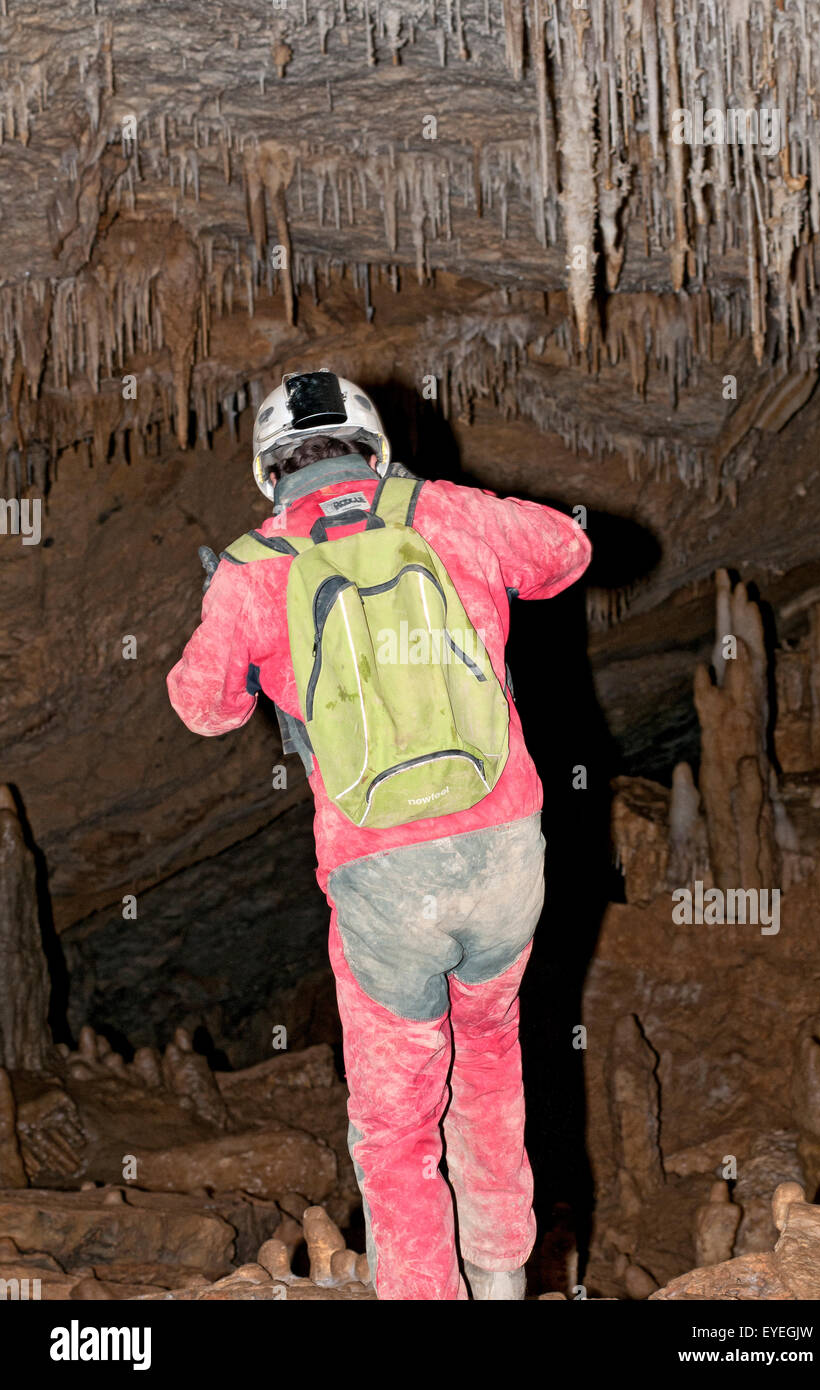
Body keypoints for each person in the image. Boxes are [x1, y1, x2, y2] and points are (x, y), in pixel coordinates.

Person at [166, 369, 592, 1300]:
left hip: (380, 877)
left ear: (267, 466)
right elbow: (564, 551)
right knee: (489, 1056)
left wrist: (249, 657)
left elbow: (200, 709)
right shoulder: (441, 509)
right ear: (373, 446)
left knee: (397, 1125)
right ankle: (503, 1273)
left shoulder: (255, 563)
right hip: (503, 851)